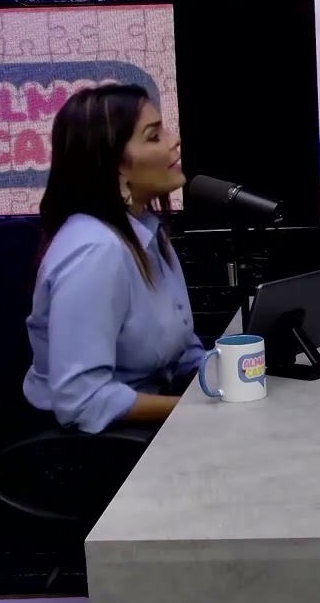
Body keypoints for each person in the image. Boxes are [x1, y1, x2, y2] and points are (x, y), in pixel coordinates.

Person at [23, 84, 207, 434]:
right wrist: (197, 409)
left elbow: (179, 352)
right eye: (154, 137)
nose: (173, 142)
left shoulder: (147, 234)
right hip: (96, 446)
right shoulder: (95, 252)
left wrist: (236, 375)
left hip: (147, 418)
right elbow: (83, 400)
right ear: (116, 166)